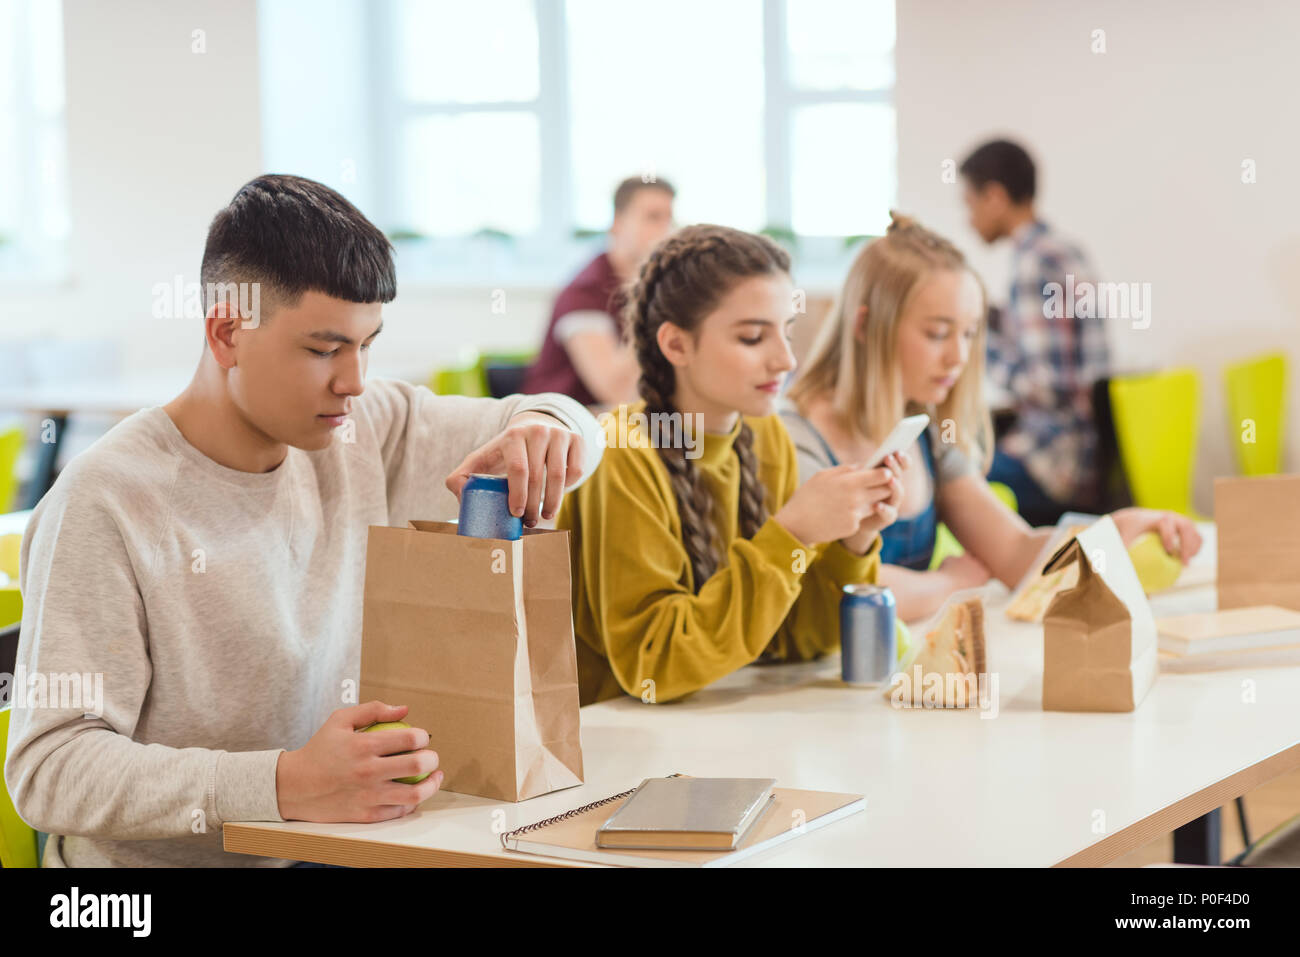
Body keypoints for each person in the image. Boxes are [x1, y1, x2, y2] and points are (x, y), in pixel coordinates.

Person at [5, 175, 604, 868]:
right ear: (228, 330)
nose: (353, 379)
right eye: (324, 350)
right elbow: (49, 769)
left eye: (367, 344)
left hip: (328, 850)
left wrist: (547, 427)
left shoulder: (362, 428)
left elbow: (566, 424)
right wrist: (285, 782)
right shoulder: (103, 500)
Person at [781, 212, 1200, 623]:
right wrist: (947, 583)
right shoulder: (795, 440)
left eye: (968, 334)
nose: (958, 357)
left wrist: (1119, 530)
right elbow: (836, 593)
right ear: (866, 325)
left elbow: (1018, 554)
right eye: (938, 333)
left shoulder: (927, 437)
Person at [556, 224, 904, 706]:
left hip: (719, 727)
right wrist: (792, 535)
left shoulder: (765, 436)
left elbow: (794, 643)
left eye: (786, 332)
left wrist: (852, 542)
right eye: (752, 338)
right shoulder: (621, 452)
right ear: (676, 345)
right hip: (618, 742)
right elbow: (655, 665)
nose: (785, 360)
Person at [959, 138, 1110, 525]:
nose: (968, 218)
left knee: (951, 482)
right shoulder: (1065, 250)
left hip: (1055, 463)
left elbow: (1048, 386)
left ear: (994, 196)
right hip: (1088, 454)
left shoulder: (1033, 264)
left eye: (970, 203)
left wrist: (978, 343)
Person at [523, 176, 675, 406]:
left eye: (669, 219)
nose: (666, 230)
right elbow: (618, 394)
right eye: (653, 217)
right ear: (617, 223)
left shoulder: (657, 285)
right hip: (561, 427)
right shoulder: (583, 295)